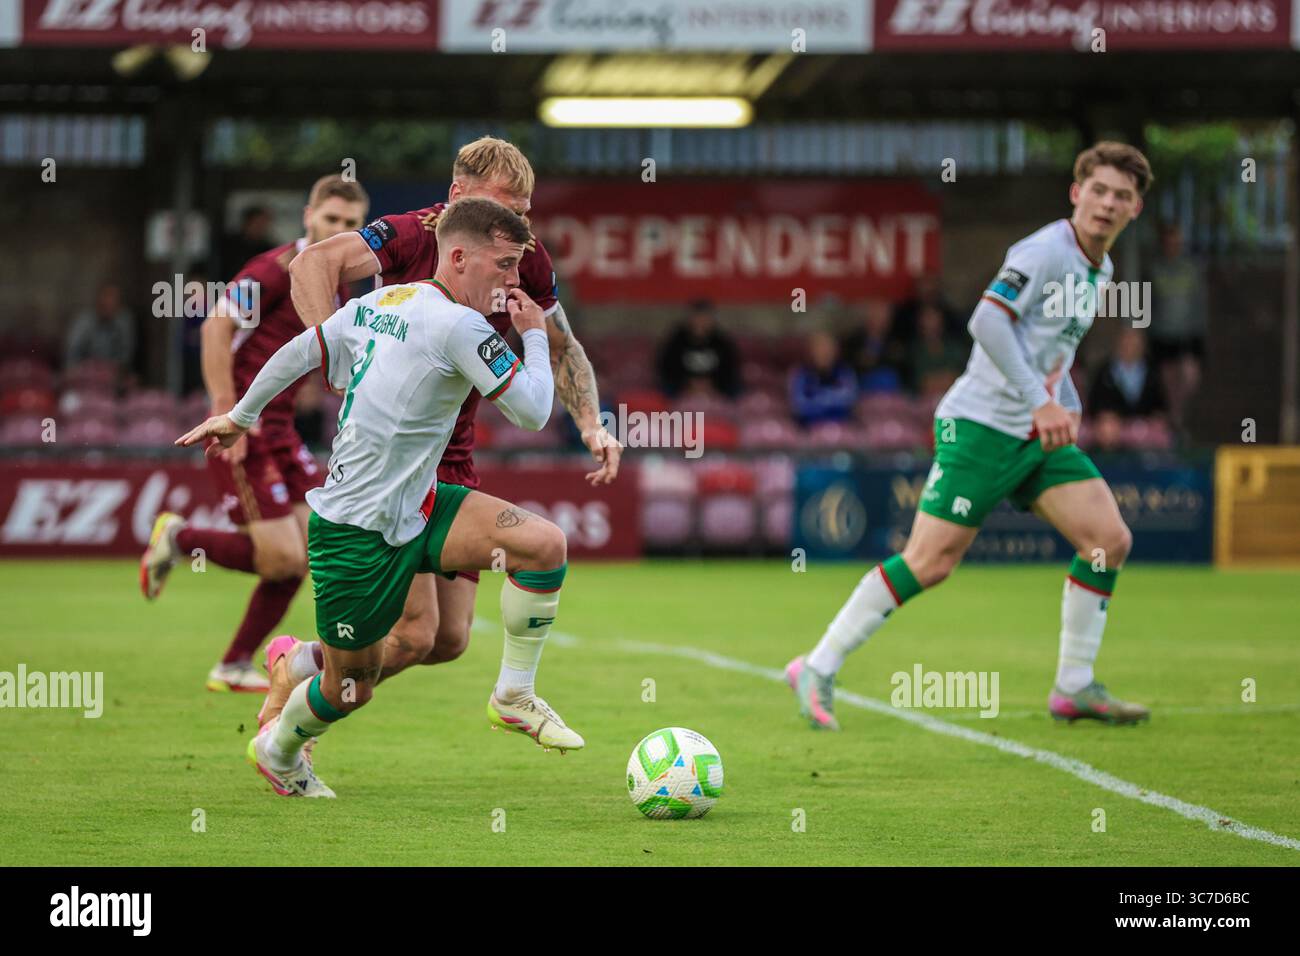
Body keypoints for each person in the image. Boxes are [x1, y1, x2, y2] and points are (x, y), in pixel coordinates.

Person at [177, 198, 579, 797]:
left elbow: (305, 346)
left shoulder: (382, 301)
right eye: (503, 264)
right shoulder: (461, 325)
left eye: (518, 266)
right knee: (352, 686)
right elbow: (533, 410)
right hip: (353, 531)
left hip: (421, 504)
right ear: (461, 255)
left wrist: (240, 413)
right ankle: (279, 749)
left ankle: (514, 694)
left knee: (543, 544)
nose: (512, 280)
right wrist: (534, 338)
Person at [786, 142, 1154, 730]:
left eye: (1123, 196)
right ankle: (817, 664)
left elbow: (1054, 351)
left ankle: (1074, 686)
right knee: (930, 562)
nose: (1108, 204)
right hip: (981, 425)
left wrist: (1069, 403)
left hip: (1034, 433)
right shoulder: (1042, 251)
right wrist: (1043, 402)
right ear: (1076, 193)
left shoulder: (1101, 268)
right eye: (1100, 190)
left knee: (1108, 539)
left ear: (1135, 210)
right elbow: (986, 320)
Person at [274, 136, 620, 744]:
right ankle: (289, 729)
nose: (518, 224)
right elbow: (313, 263)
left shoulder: (524, 256)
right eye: (504, 205)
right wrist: (331, 351)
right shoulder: (412, 232)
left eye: (526, 209)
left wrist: (591, 421)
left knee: (446, 640)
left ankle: (302, 661)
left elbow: (559, 343)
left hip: (452, 461)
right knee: (413, 632)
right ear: (457, 197)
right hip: (393, 463)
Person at [140, 175, 369, 693]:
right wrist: (228, 410)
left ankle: (234, 663)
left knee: (314, 545)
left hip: (283, 431)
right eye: (331, 219)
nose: (339, 229)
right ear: (309, 216)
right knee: (283, 556)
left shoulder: (337, 279)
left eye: (351, 224)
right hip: (243, 428)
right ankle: (179, 538)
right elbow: (215, 326)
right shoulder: (275, 268)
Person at [1146, 222, 1207, 432]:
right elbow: (1147, 303)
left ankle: (1178, 418)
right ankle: (1175, 423)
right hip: (1162, 336)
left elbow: (1199, 303)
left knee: (1190, 377)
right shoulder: (1155, 269)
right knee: (1167, 382)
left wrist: (1199, 332)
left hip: (1189, 336)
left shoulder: (1191, 269)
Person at [1088, 327, 1167, 451]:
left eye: (1135, 342)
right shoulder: (1105, 371)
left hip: (1145, 431)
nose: (1130, 346)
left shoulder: (1152, 372)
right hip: (1111, 432)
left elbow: (1161, 406)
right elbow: (1095, 405)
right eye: (1127, 341)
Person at [656, 299, 743, 398]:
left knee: (738, 392)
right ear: (690, 319)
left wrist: (711, 383)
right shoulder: (675, 341)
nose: (701, 322)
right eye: (698, 317)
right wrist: (689, 383)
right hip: (681, 385)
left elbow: (729, 369)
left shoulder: (721, 341)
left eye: (705, 318)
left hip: (716, 385)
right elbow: (666, 367)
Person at [790, 331, 859, 427]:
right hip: (809, 428)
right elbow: (801, 405)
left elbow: (848, 400)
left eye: (828, 348)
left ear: (836, 351)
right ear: (812, 351)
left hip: (841, 426)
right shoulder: (801, 374)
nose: (825, 352)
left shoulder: (845, 373)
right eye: (820, 348)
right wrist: (831, 398)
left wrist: (818, 399)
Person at [65, 282, 135, 373]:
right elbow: (71, 354)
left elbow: (126, 357)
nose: (108, 302)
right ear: (98, 300)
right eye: (106, 297)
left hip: (112, 375)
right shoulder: (84, 321)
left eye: (113, 299)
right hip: (84, 373)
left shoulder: (124, 321)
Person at [840, 297, 905, 394]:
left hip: (892, 396)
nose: (879, 318)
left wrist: (874, 359)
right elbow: (852, 364)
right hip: (863, 393)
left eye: (884, 314)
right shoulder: (854, 341)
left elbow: (899, 363)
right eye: (875, 313)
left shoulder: (896, 341)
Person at [909, 304, 969, 399]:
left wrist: (939, 380)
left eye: (934, 317)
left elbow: (960, 379)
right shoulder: (915, 350)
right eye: (927, 317)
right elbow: (922, 383)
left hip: (954, 399)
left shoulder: (954, 348)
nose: (930, 323)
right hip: (923, 404)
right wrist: (945, 379)